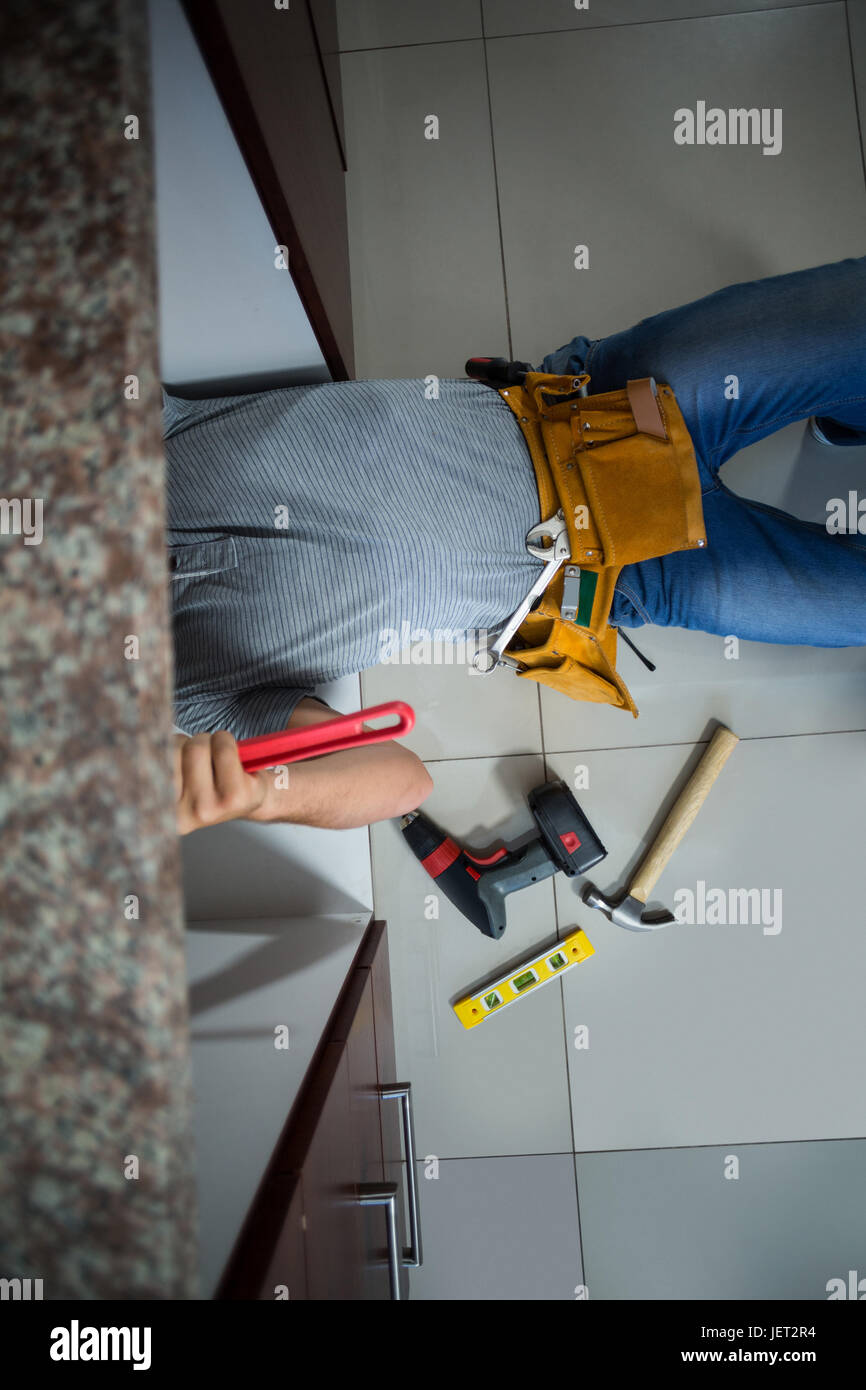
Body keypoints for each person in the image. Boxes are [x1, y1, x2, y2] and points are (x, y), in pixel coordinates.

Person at [167, 256, 866, 835]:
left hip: (602, 405)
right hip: (622, 568)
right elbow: (400, 779)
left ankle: (845, 409)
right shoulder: (192, 696)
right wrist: (267, 795)